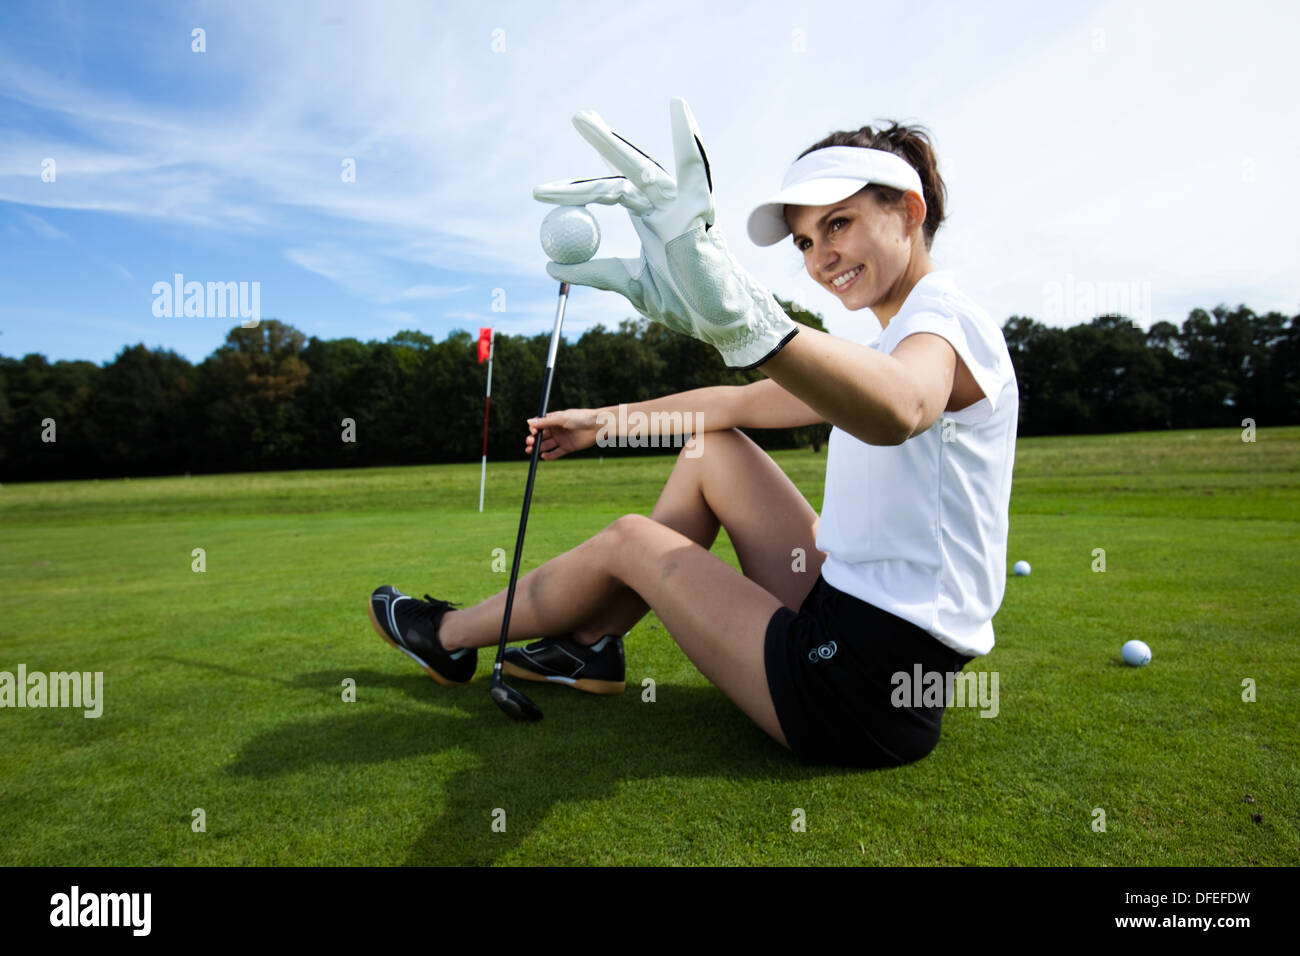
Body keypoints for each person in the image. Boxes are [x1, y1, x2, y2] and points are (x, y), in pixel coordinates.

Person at [367, 98, 1018, 768]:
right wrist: (605, 423)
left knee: (630, 539)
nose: (821, 256)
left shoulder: (944, 321)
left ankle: (447, 635)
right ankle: (591, 641)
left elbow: (902, 409)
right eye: (804, 241)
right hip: (853, 621)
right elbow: (736, 406)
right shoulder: (892, 342)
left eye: (839, 224)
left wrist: (751, 326)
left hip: (857, 693)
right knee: (714, 453)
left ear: (909, 212)